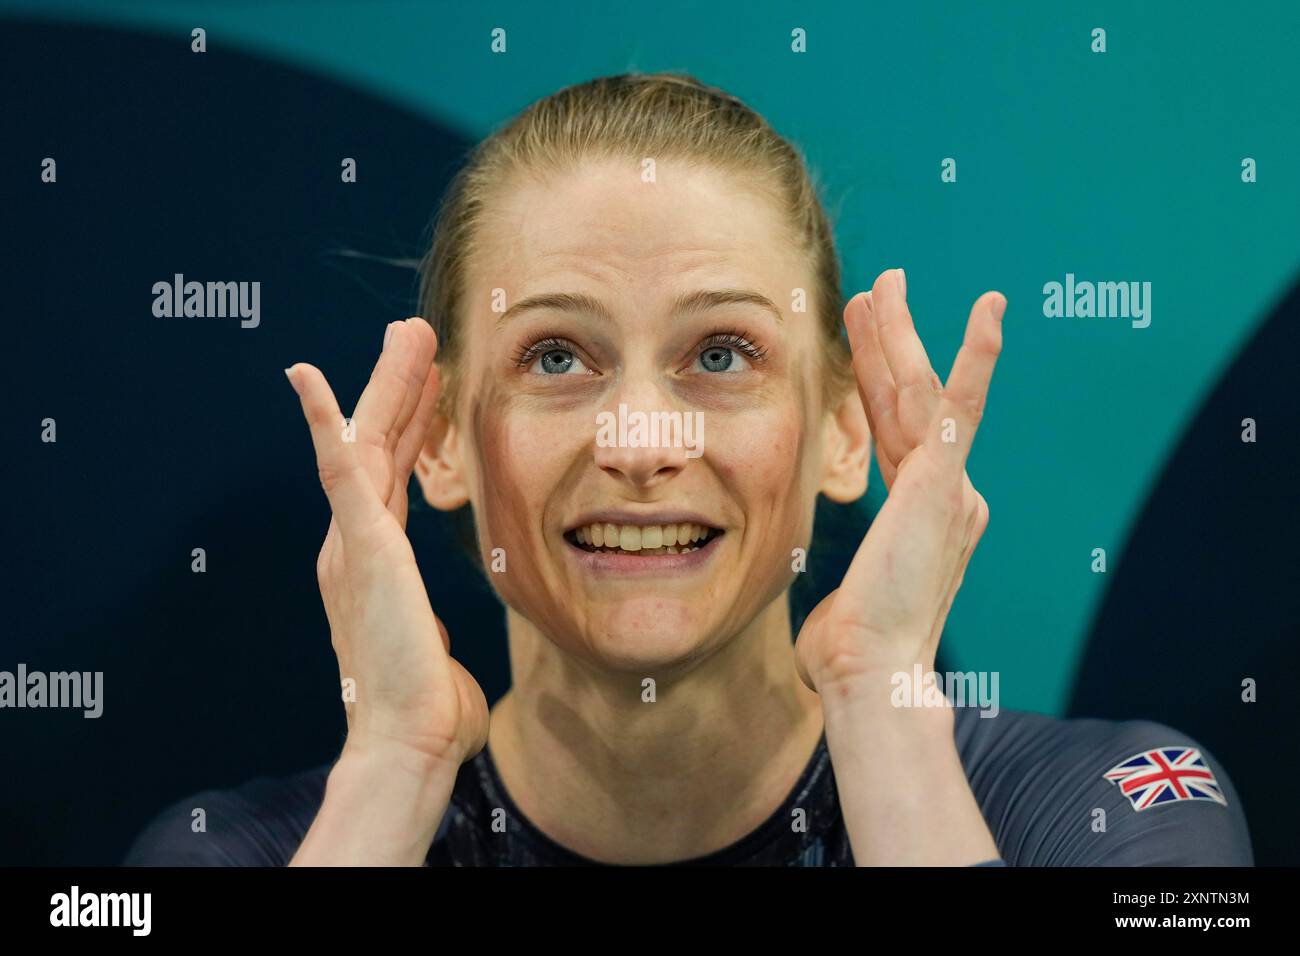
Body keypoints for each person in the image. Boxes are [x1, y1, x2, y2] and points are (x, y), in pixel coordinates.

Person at [124, 72, 1252, 867]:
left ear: (842, 432)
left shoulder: (1116, 809)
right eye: (556, 356)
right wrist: (395, 770)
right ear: (440, 441)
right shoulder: (233, 852)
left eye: (721, 353)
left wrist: (880, 706)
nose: (639, 442)